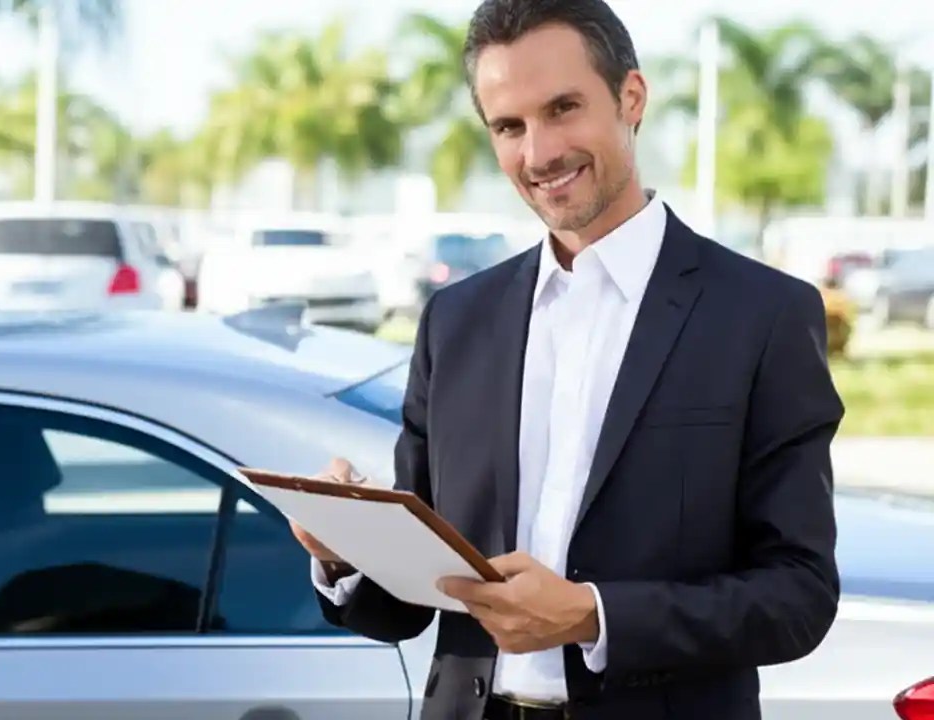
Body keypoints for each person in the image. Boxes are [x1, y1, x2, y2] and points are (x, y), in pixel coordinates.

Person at [288, 1, 845, 718]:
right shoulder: (456, 322)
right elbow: (409, 606)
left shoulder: (761, 316)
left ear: (630, 98)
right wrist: (345, 551)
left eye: (563, 108)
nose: (539, 153)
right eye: (509, 126)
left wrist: (594, 615)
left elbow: (799, 595)